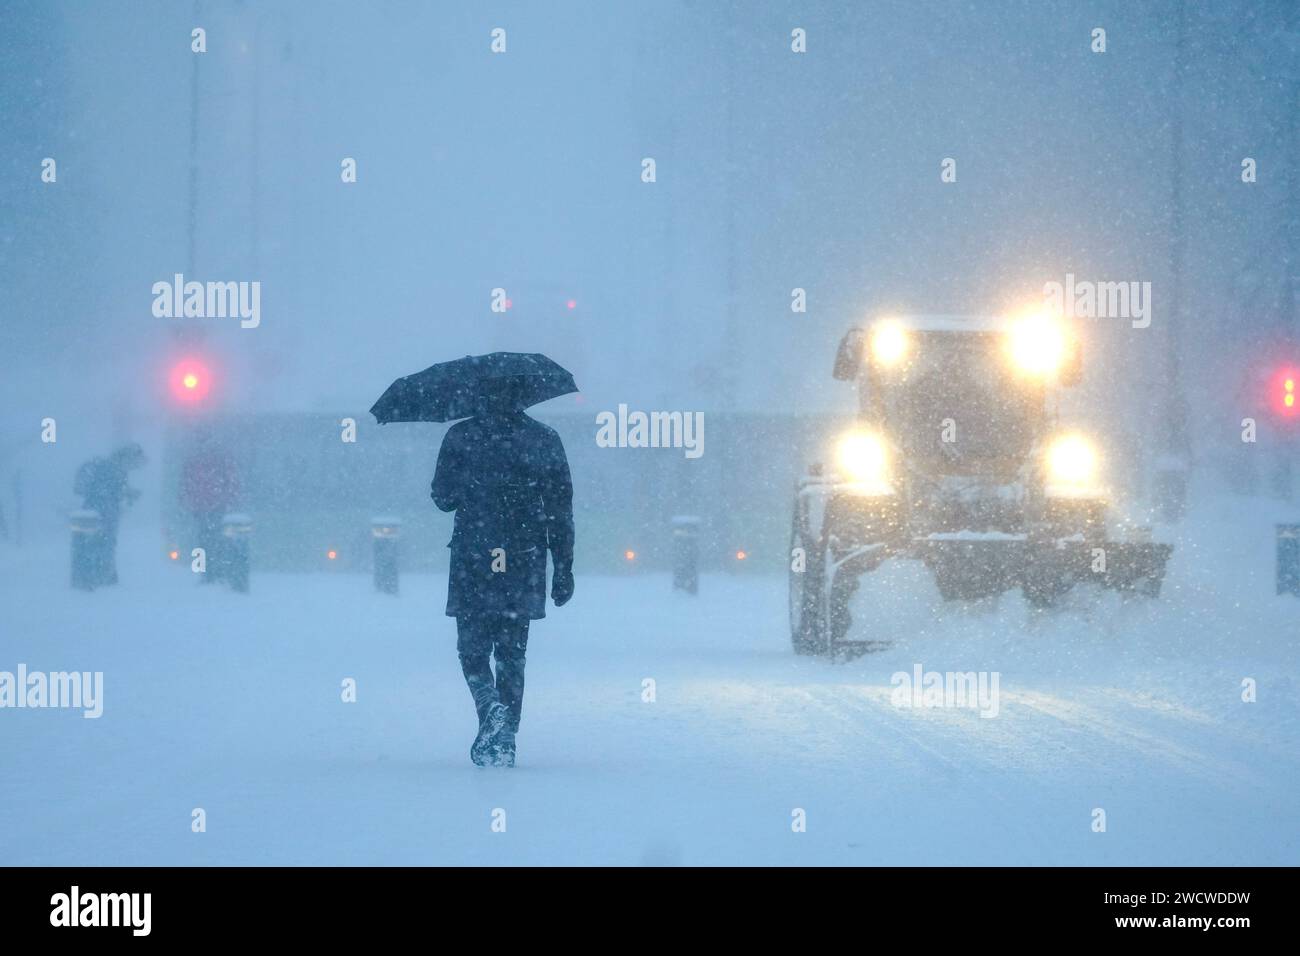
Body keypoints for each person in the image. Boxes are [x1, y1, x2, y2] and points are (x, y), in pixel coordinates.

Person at [431, 394, 574, 767]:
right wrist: (563, 567)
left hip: (474, 554)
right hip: (523, 554)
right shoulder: (544, 438)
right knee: (512, 654)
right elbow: (560, 508)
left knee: (472, 651)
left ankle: (488, 704)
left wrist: (471, 481)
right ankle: (506, 735)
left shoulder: (460, 436)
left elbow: (443, 499)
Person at [74, 443, 145, 587]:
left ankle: (90, 577)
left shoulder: (106, 467)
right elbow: (114, 491)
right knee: (104, 543)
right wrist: (129, 495)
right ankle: (103, 578)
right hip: (104, 513)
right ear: (126, 458)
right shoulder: (114, 470)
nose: (134, 466)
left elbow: (111, 490)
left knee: (91, 544)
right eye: (133, 462)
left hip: (90, 512)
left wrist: (127, 494)